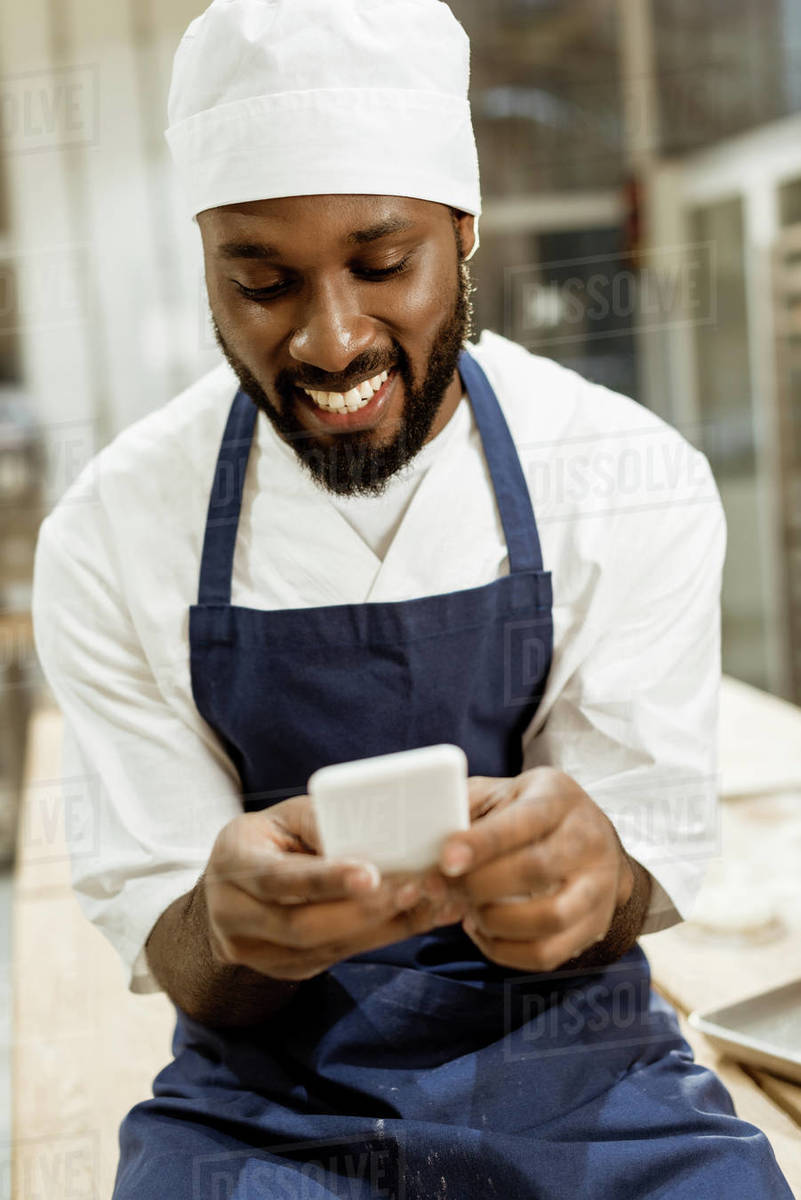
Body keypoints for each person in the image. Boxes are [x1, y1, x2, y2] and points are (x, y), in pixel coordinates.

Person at [32, 1, 793, 1197]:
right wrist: (229, 926)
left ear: (465, 230)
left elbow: (642, 841)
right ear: (210, 271)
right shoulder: (111, 533)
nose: (333, 340)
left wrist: (595, 876)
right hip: (266, 1101)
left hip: (585, 1076)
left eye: (383, 266)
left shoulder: (620, 476)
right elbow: (171, 939)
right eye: (263, 282)